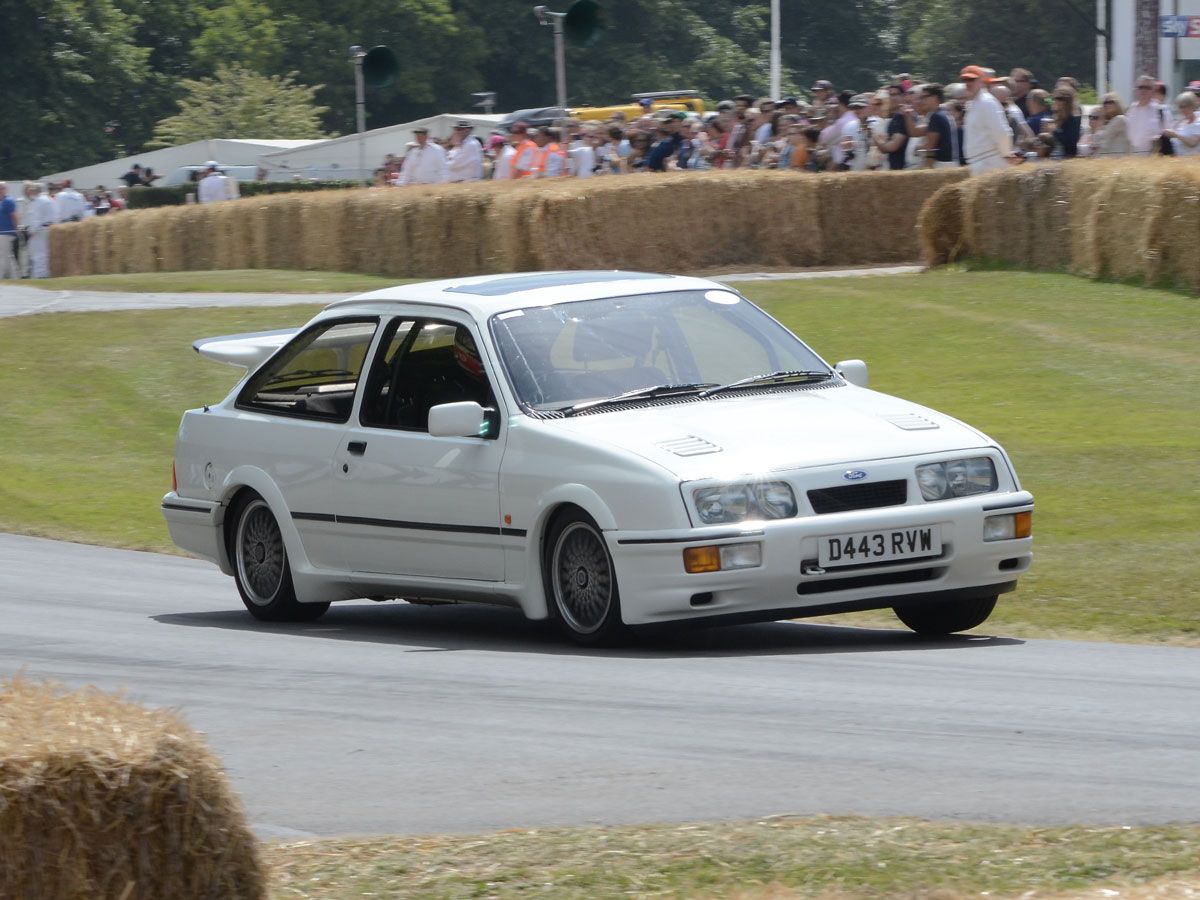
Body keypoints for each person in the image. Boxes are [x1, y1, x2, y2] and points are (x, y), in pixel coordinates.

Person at [960, 64, 1014, 174]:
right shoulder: (974, 103)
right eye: (965, 79)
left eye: (971, 79)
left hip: (989, 162)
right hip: (981, 161)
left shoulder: (987, 102)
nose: (968, 83)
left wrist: (1006, 154)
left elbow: (1001, 132)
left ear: (981, 81)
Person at [917, 83, 959, 168]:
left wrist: (917, 148)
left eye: (925, 97)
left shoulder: (936, 116)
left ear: (935, 97)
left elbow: (930, 146)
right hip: (953, 163)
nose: (921, 101)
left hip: (943, 165)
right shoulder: (945, 113)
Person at [1126, 74, 1166, 154]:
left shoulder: (1161, 110)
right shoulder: (1131, 109)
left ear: (1153, 91)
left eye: (1147, 88)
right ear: (1136, 90)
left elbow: (1169, 134)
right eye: (1141, 87)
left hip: (1153, 158)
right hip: (1132, 158)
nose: (1143, 90)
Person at [25, 182, 58, 279]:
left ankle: (40, 275)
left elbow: (36, 219)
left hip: (40, 230)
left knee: (39, 254)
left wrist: (30, 232)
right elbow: (56, 215)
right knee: (47, 253)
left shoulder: (38, 201)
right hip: (50, 229)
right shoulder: (50, 199)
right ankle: (46, 274)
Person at [0, 183, 19, 280]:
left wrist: (16, 229)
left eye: (1, 188)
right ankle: (14, 277)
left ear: (4, 189)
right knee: (8, 255)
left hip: (6, 232)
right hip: (3, 232)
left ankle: (2, 276)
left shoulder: (8, 201)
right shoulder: (2, 201)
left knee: (3, 255)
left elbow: (14, 216)